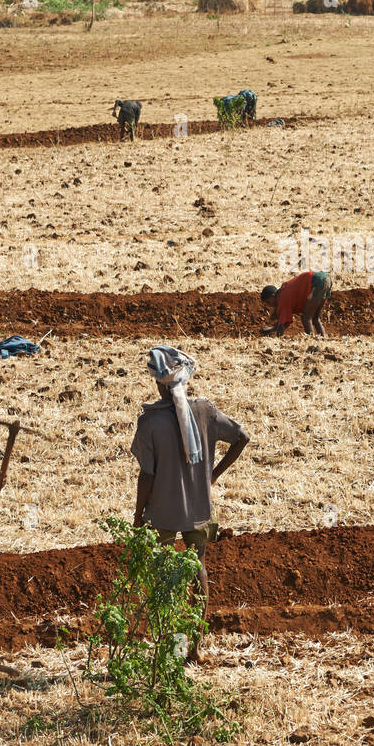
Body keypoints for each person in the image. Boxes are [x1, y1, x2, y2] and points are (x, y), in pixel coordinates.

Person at [131, 346, 249, 663]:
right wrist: (211, 476)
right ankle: (193, 650)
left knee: (167, 578)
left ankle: (173, 649)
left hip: (163, 514)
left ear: (158, 383)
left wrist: (138, 514)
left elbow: (147, 476)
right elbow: (242, 438)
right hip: (199, 510)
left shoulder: (150, 423)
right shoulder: (206, 411)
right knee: (198, 572)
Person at [261, 269, 332, 337]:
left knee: (306, 318)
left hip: (316, 281)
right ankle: (323, 338)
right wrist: (272, 329)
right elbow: (281, 322)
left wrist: (277, 339)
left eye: (268, 302)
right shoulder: (284, 291)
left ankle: (312, 341)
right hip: (326, 278)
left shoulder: (282, 298)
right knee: (315, 318)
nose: (270, 305)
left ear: (273, 296)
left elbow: (282, 324)